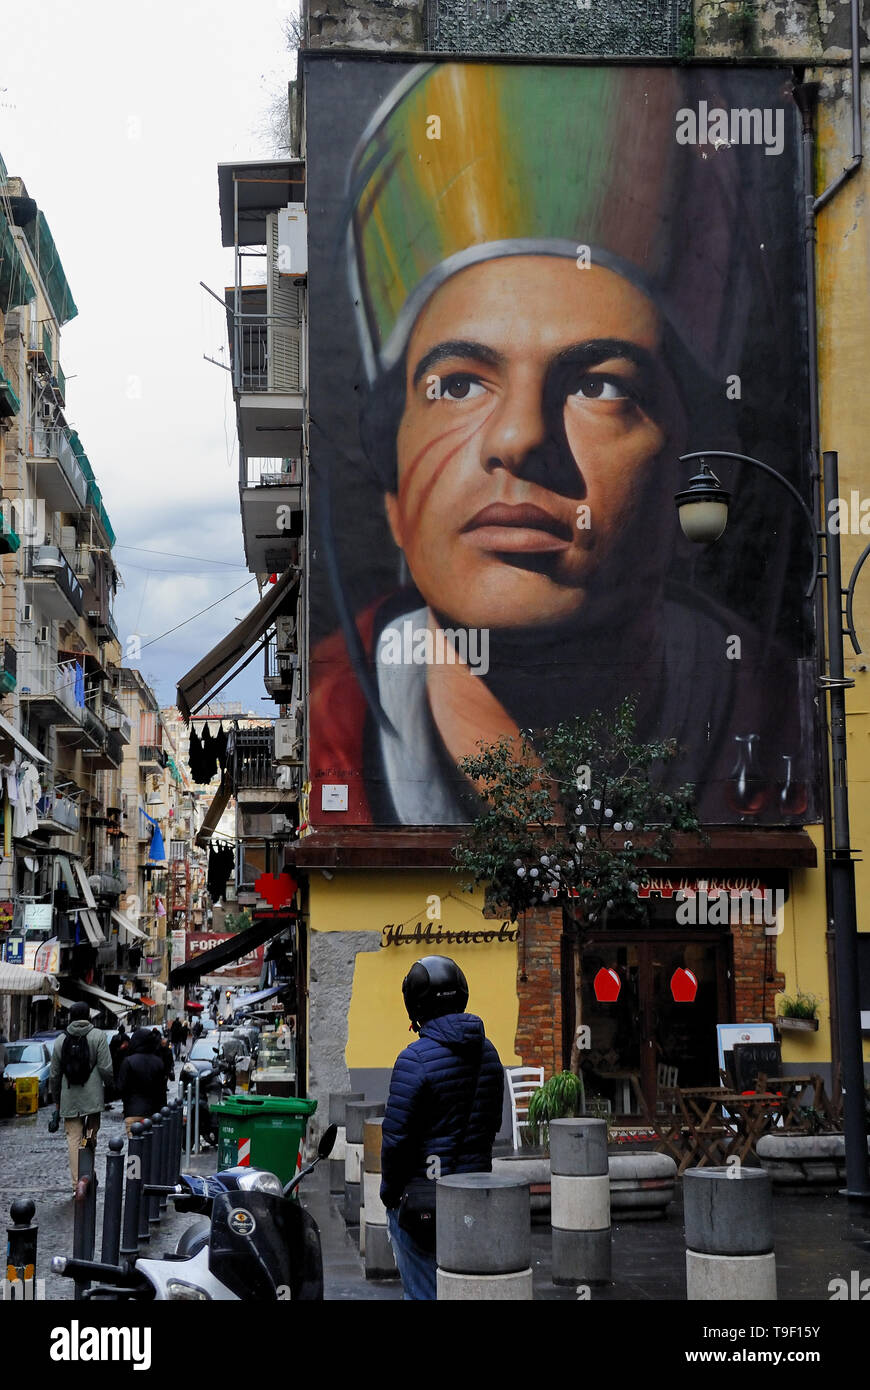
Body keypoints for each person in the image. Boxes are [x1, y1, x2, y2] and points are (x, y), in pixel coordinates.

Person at [309, 62, 812, 828]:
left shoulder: (785, 722)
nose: (519, 438)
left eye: (599, 386)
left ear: (696, 466)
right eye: (459, 383)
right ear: (389, 479)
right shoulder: (327, 729)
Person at [381, 956, 504, 1300]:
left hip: (423, 1202)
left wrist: (390, 1197)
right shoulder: (489, 1052)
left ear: (415, 1004)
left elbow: (396, 1141)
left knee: (423, 1293)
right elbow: (491, 1123)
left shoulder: (413, 1058)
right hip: (477, 1194)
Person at [49, 1003, 113, 1191]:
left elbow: (54, 1074)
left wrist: (57, 1101)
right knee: (90, 1136)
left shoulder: (60, 1040)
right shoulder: (98, 1036)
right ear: (88, 1016)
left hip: (69, 1097)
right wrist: (109, 1086)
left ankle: (78, 1183)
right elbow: (106, 1068)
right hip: (92, 1097)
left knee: (73, 1140)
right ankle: (88, 1172)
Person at [117, 1029, 168, 1137]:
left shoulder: (128, 1061)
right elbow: (162, 1089)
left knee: (135, 1146)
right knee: (151, 1147)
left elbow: (121, 1087)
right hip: (153, 1112)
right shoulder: (158, 1062)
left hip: (133, 1110)